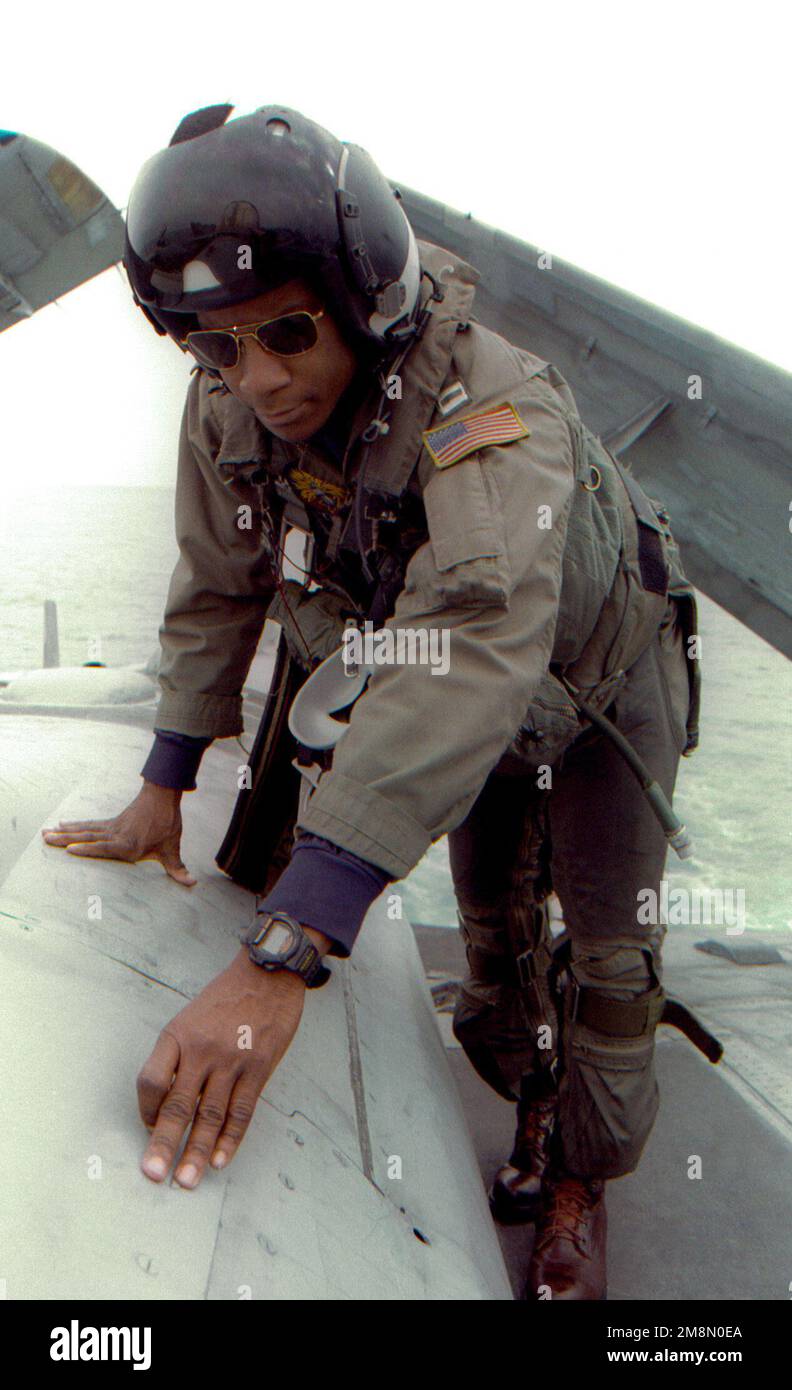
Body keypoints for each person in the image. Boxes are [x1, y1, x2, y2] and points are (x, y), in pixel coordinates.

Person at [41, 103, 702, 1300]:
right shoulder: (236, 406)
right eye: (217, 348)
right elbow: (219, 580)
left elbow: (472, 637)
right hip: (462, 706)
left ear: (360, 299)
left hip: (600, 694)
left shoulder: (494, 414)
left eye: (287, 332)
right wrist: (163, 782)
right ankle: (530, 1120)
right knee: (499, 957)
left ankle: (580, 1177)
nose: (259, 378)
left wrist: (284, 955)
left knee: (608, 964)